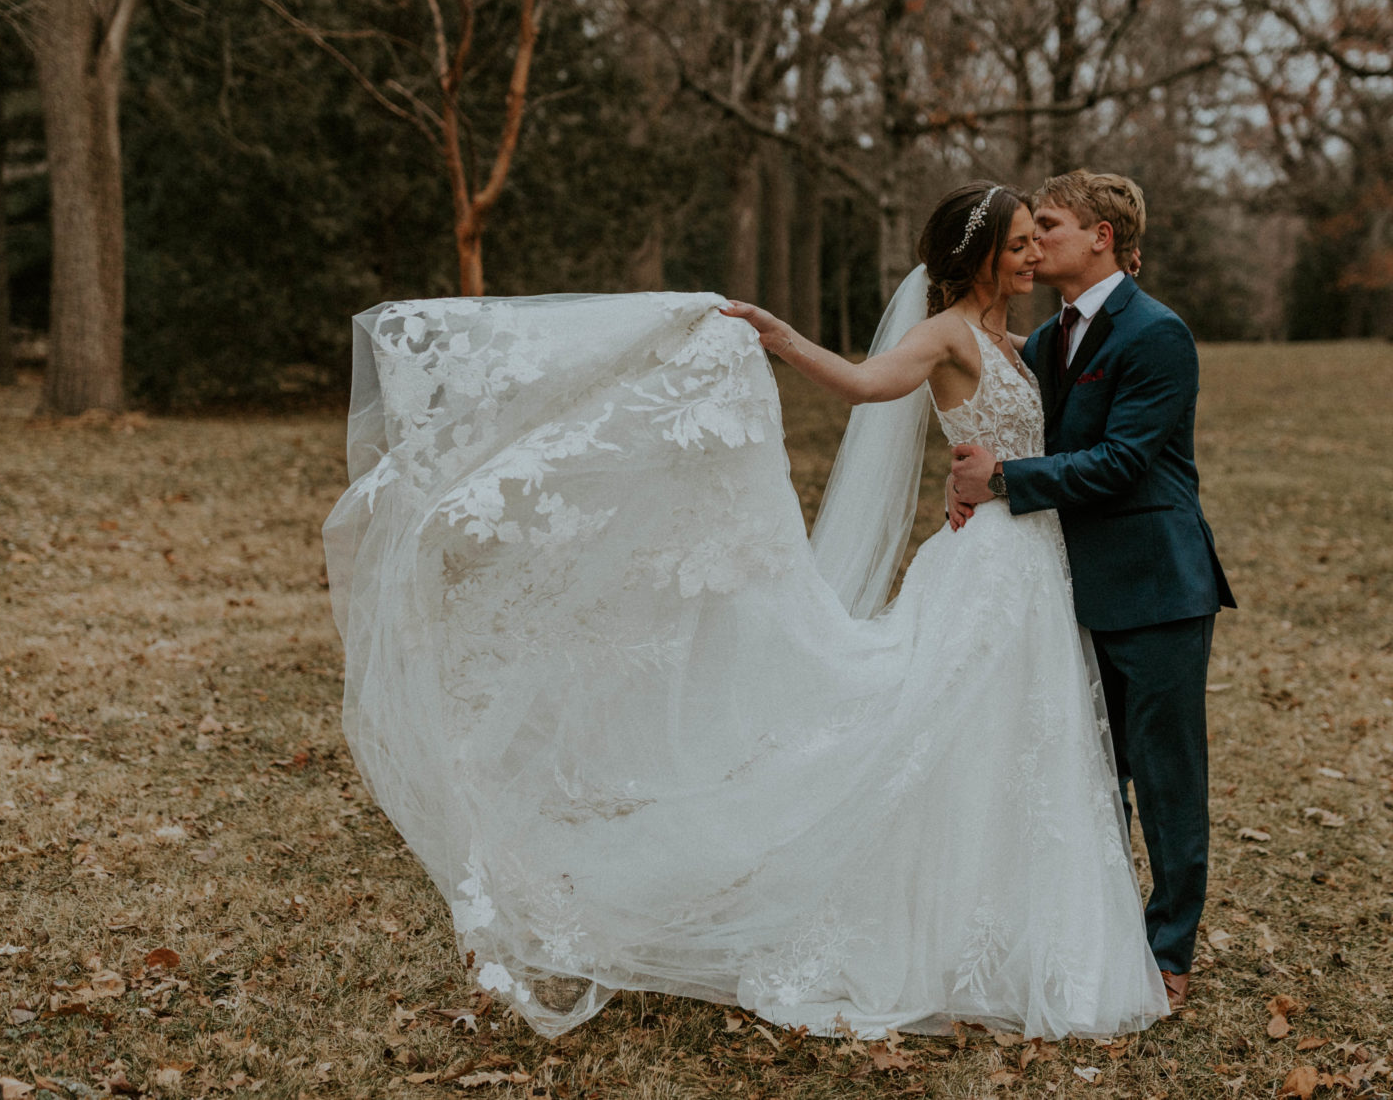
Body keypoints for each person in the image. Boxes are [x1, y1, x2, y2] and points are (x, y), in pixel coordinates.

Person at [324, 181, 1168, 1041]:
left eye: (1038, 239)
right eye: (1021, 242)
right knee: (950, 734)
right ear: (981, 253)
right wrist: (785, 339)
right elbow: (868, 383)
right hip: (987, 568)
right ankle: (933, 934)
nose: (1033, 255)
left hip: (1032, 561)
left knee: (1017, 744)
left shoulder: (1022, 341)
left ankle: (1014, 928)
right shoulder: (947, 333)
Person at [948, 170, 1235, 1012]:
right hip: (1071, 591)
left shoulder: (1158, 335)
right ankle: (1102, 938)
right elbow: (1014, 423)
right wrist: (969, 473)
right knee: (1090, 773)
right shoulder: (1046, 340)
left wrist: (1002, 477)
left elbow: (1121, 462)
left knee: (1167, 775)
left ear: (1102, 236)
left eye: (1051, 225)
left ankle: (1170, 949)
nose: (1036, 241)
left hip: (1157, 588)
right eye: (1029, 229)